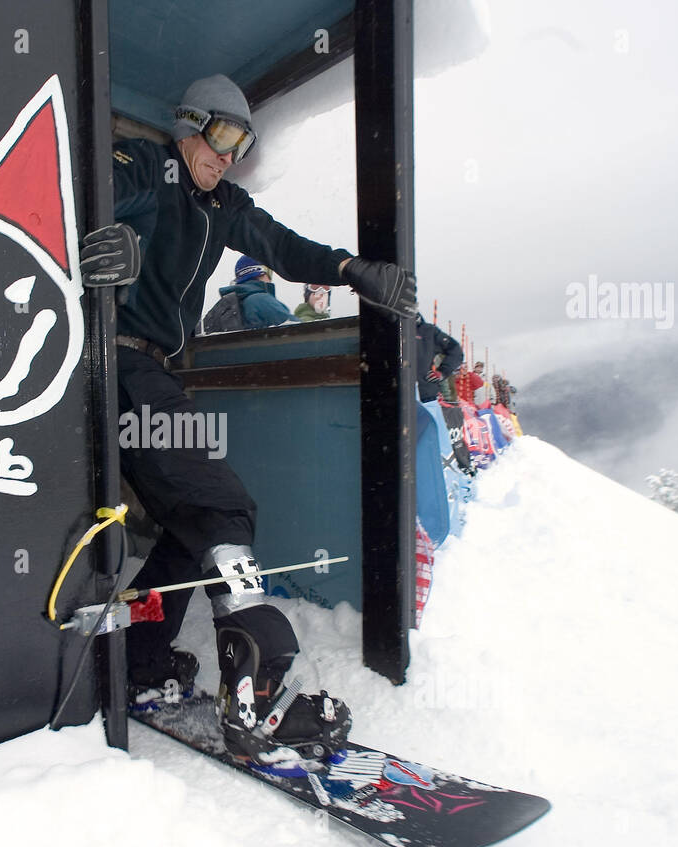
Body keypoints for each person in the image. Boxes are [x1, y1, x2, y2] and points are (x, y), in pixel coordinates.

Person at [79, 74, 416, 766]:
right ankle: (256, 691)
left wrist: (355, 270)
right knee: (222, 502)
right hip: (115, 363)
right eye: (223, 136)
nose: (229, 155)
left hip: (159, 374)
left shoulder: (223, 206)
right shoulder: (147, 166)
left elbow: (284, 247)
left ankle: (140, 657)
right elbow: (83, 195)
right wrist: (92, 238)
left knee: (185, 523)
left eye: (243, 144)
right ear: (188, 123)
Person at [201, 256, 296, 333]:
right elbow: (297, 329)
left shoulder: (234, 303)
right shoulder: (260, 300)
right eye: (270, 272)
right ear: (262, 273)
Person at [416, 314, 463, 403]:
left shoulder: (428, 331)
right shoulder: (388, 325)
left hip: (425, 395)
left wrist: (443, 372)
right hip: (390, 393)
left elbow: (455, 350)